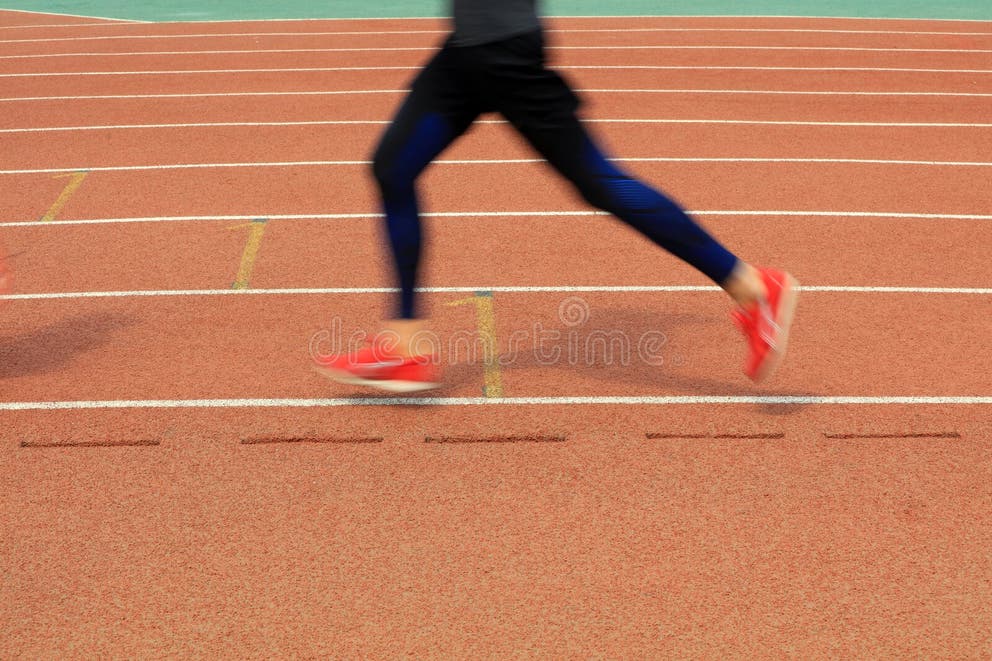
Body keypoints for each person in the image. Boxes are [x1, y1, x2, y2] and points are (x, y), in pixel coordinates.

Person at [314, 0, 798, 392]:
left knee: (599, 182)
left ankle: (754, 286)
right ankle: (403, 347)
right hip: (467, 53)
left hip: (504, 54)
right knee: (393, 168)